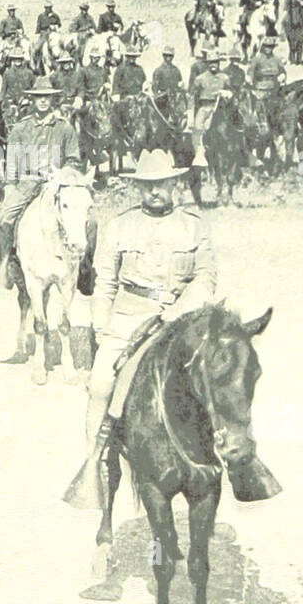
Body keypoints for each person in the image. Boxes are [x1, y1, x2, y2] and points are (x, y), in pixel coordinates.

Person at [66, 147, 216, 508]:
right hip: (129, 318)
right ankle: (96, 460)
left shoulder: (194, 226)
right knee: (102, 382)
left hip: (182, 319)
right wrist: (103, 331)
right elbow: (104, 285)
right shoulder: (119, 226)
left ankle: (234, 455)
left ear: (174, 184)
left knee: (222, 378)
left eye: (161, 184)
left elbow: (206, 278)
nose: (155, 192)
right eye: (148, 185)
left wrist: (178, 311)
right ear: (138, 188)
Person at [0, 76, 80, 284]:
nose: (42, 101)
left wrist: (62, 174)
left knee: (88, 220)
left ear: (52, 100)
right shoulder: (21, 129)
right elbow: (12, 160)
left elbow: (74, 160)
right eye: (38, 97)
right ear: (32, 100)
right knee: (3, 218)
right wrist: (10, 187)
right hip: (27, 182)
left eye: (46, 97)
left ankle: (84, 267)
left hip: (57, 184)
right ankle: (8, 263)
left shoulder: (64, 128)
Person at [150, 45, 184, 119]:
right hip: (163, 99)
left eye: (170, 55)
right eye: (166, 55)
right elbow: (154, 88)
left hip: (175, 99)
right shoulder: (158, 70)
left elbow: (180, 84)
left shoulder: (176, 70)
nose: (168, 57)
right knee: (163, 119)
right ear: (163, 56)